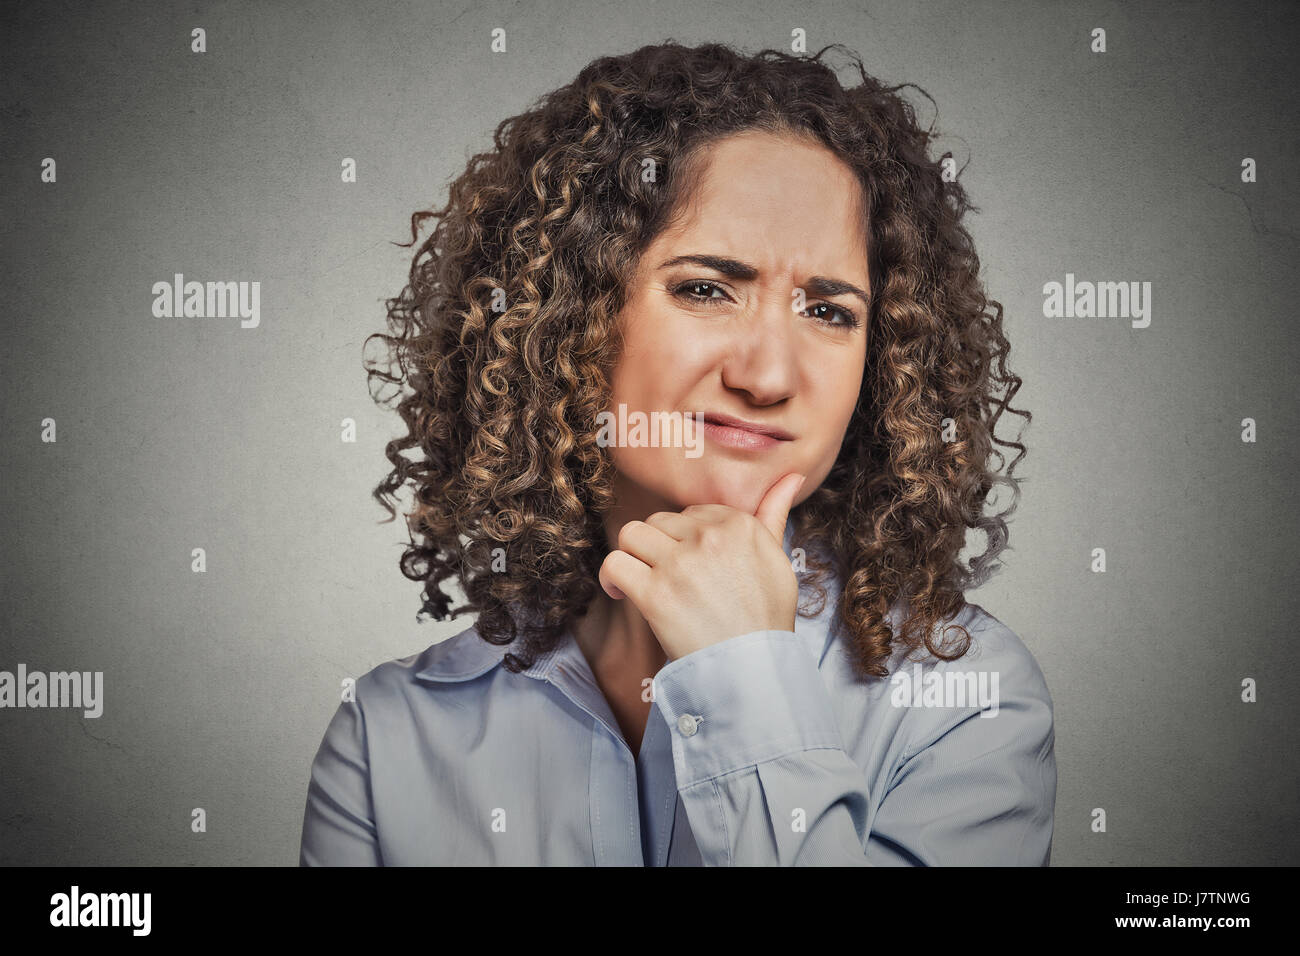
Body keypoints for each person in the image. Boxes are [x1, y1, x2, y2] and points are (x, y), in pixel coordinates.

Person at [300, 40, 1055, 865]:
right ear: (568, 320)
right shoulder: (388, 742)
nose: (767, 375)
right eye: (705, 289)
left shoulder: (968, 702)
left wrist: (746, 679)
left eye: (830, 311)